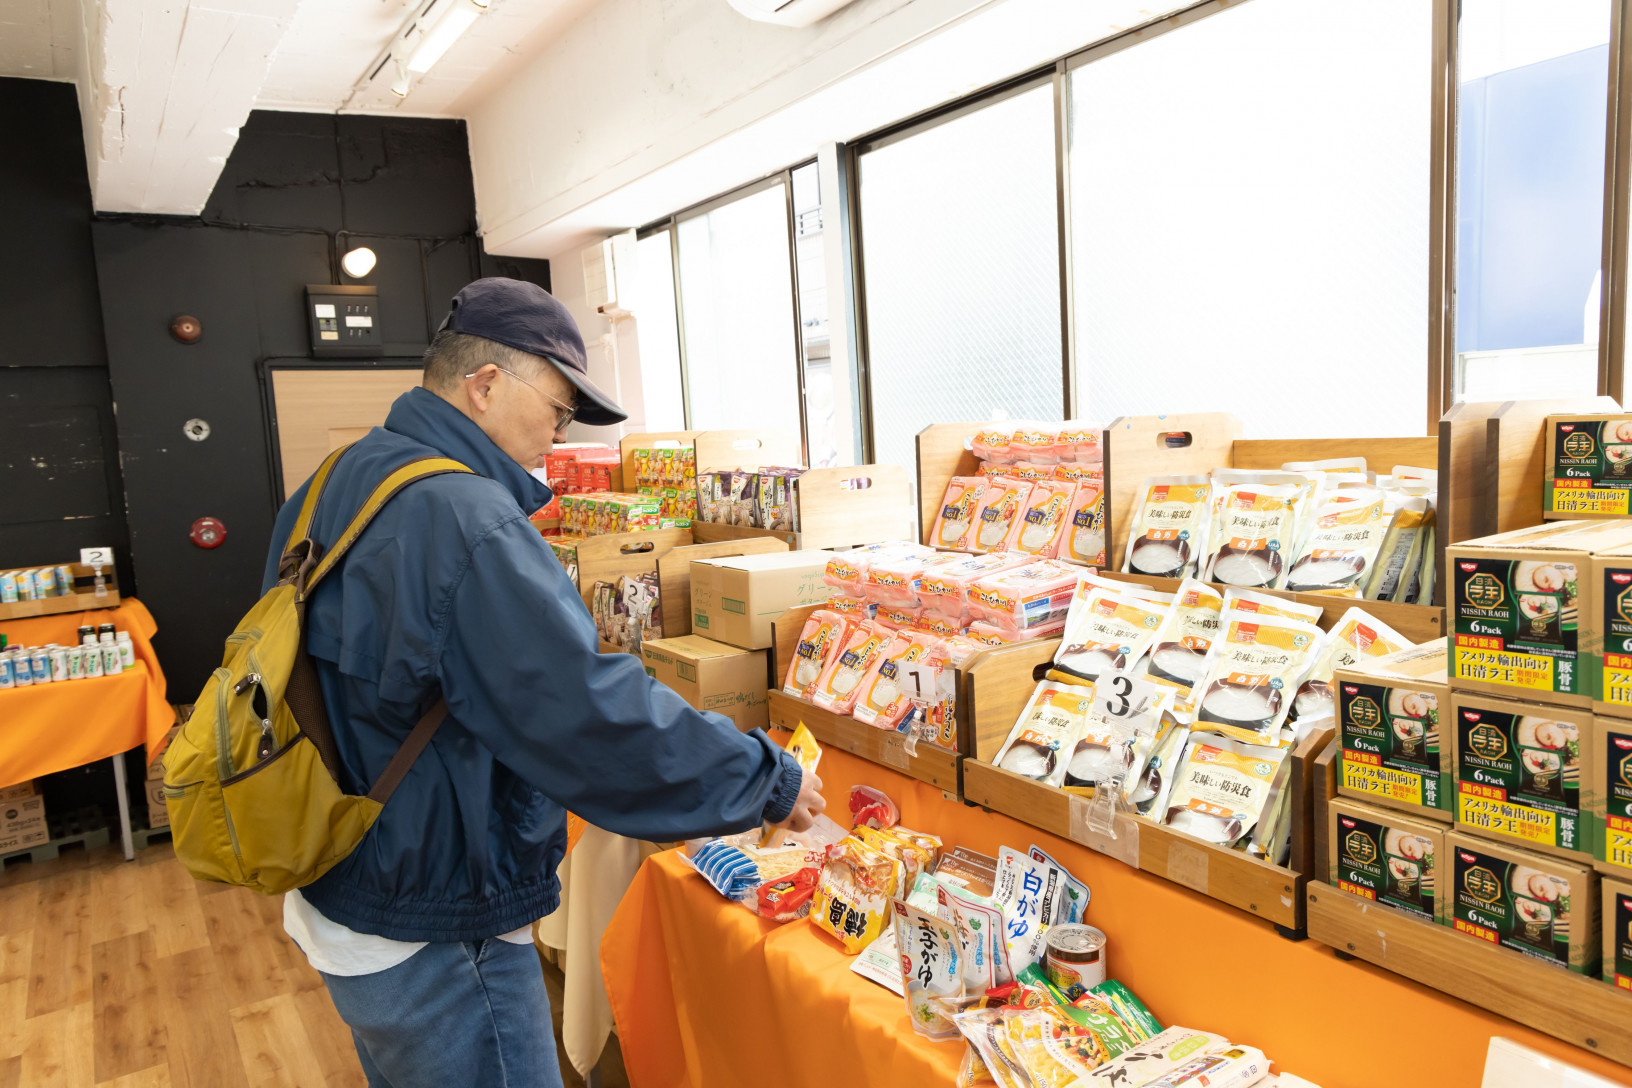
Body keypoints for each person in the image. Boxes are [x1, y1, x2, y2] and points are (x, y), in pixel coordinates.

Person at [260, 277, 825, 1087]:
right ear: (485, 384)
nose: (558, 439)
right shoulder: (466, 518)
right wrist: (762, 775)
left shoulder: (335, 480)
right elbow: (585, 714)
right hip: (441, 918)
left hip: (347, 881)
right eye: (558, 411)